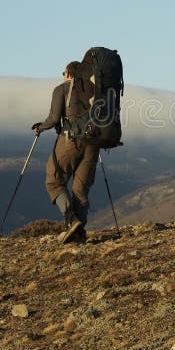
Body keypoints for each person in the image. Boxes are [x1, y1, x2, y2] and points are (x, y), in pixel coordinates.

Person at [32, 61, 98, 244]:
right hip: (93, 144)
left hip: (71, 140)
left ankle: (72, 220)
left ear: (69, 74)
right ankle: (78, 234)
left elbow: (54, 118)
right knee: (80, 189)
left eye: (63, 72)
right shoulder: (95, 90)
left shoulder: (61, 89)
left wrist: (40, 127)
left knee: (53, 181)